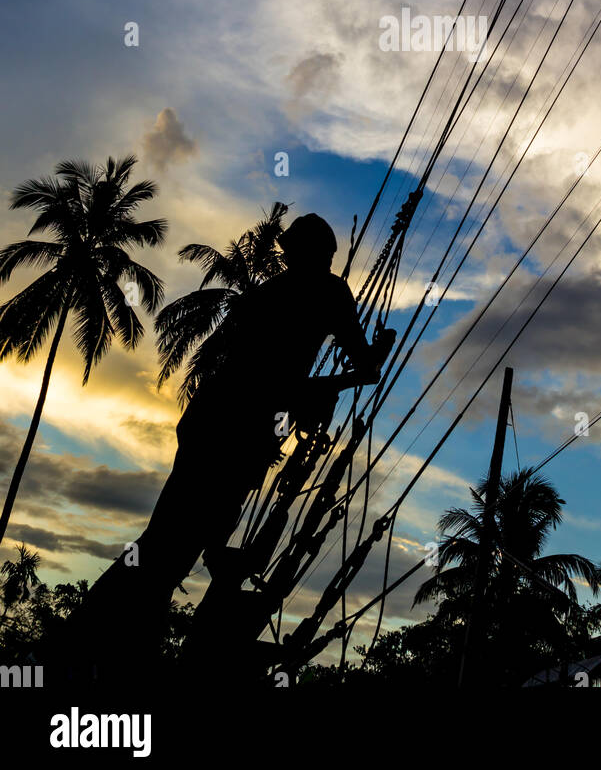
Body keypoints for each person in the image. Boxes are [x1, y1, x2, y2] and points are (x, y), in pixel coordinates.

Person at [56, 213, 382, 678]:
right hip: (235, 433)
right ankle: (86, 652)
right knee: (170, 550)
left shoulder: (266, 296)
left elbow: (270, 375)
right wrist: (350, 376)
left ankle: (95, 652)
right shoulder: (328, 293)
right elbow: (320, 373)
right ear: (323, 255)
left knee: (165, 546)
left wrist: (332, 381)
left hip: (212, 423)